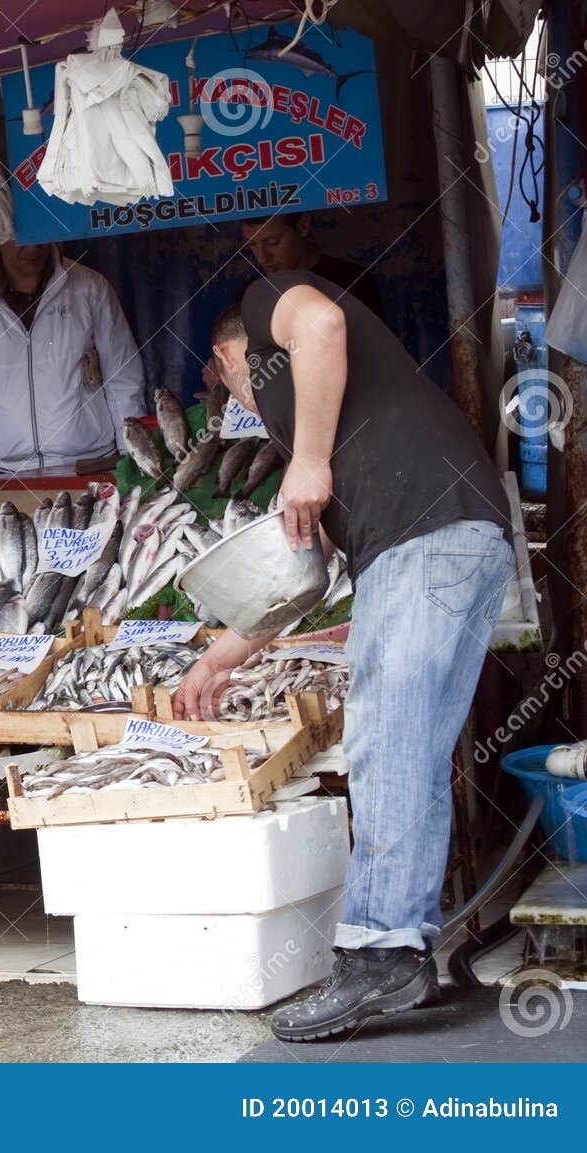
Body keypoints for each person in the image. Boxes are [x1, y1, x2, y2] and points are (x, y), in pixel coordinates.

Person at [177, 271, 512, 1042]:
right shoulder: (318, 423)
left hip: (424, 534)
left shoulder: (267, 305)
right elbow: (305, 568)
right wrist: (221, 657)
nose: (243, 401)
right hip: (458, 536)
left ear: (228, 358)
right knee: (410, 750)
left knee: (385, 739)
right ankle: (402, 951)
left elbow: (321, 323)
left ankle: (378, 953)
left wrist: (308, 461)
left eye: (229, 385)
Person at [0, 240, 146, 482]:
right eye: (20, 237)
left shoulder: (89, 287)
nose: (33, 247)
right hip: (5, 474)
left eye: (38, 234)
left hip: (92, 465)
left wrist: (137, 463)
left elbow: (123, 378)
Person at [240, 211, 385, 319]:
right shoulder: (250, 294)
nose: (262, 258)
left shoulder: (353, 282)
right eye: (252, 244)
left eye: (273, 242)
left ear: (303, 226)